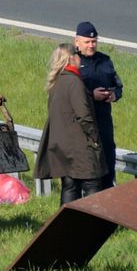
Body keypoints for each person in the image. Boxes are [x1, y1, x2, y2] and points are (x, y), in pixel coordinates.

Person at [34, 43, 108, 204]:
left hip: (62, 146)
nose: (80, 58)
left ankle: (65, 224)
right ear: (72, 58)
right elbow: (84, 115)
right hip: (79, 146)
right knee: (92, 185)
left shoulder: (56, 82)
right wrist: (94, 138)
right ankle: (93, 226)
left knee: (69, 186)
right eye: (77, 55)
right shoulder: (75, 83)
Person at [74, 21, 124, 186]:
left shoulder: (105, 61)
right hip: (81, 123)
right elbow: (69, 93)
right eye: (87, 42)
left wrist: (114, 95)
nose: (91, 45)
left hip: (103, 121)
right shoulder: (71, 61)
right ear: (77, 42)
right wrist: (91, 96)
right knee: (87, 167)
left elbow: (118, 86)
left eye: (94, 42)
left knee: (108, 159)